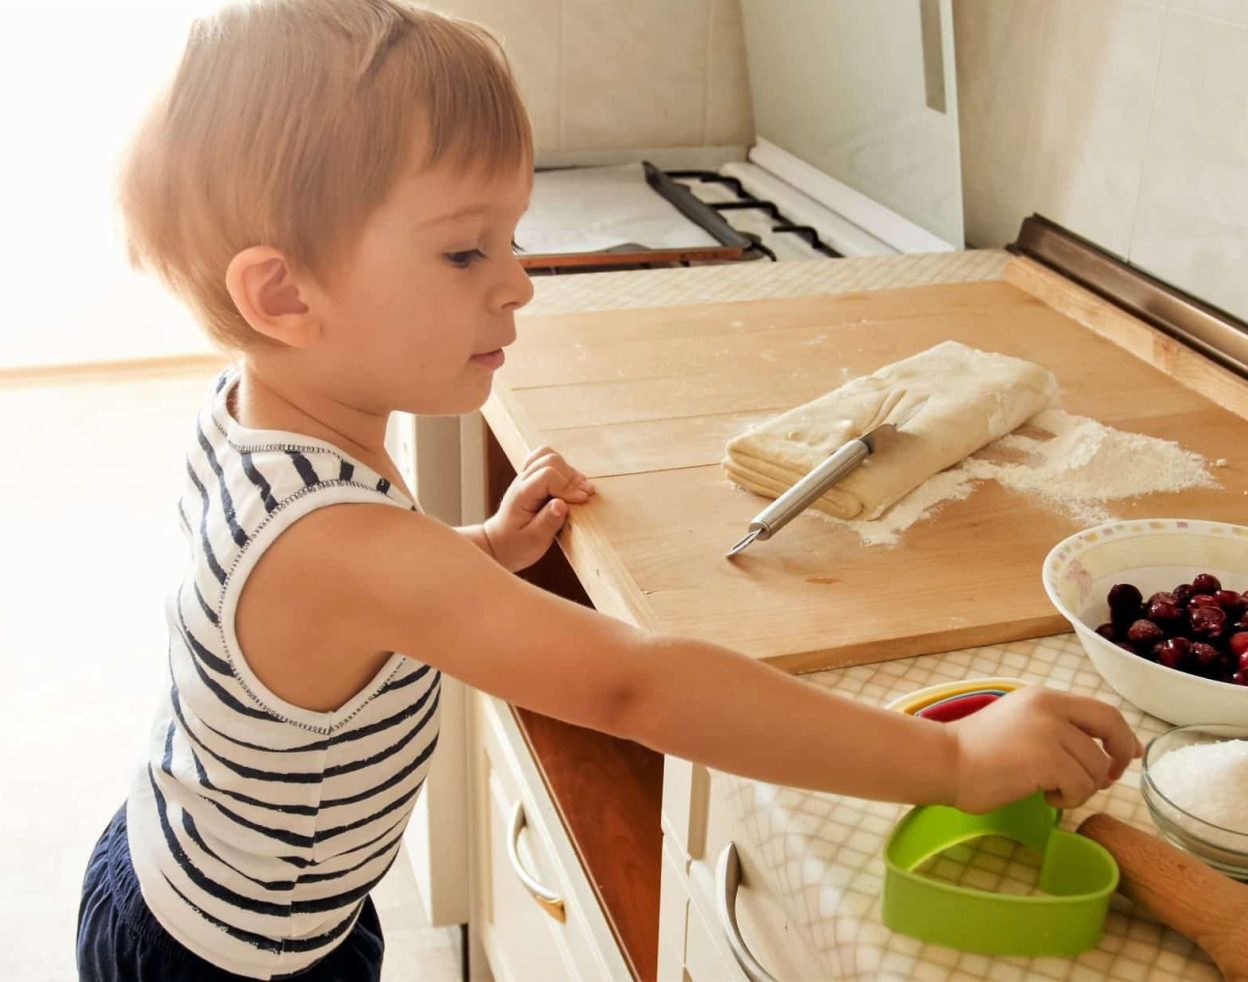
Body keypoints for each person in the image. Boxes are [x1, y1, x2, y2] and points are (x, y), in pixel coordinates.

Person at [75, 1, 1140, 978]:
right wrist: (950, 758)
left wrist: (479, 552)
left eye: (512, 236)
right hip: (230, 956)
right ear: (282, 292)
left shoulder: (256, 409)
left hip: (178, 853)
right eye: (463, 251)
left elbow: (336, 606)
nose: (519, 279)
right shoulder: (340, 545)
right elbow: (634, 686)